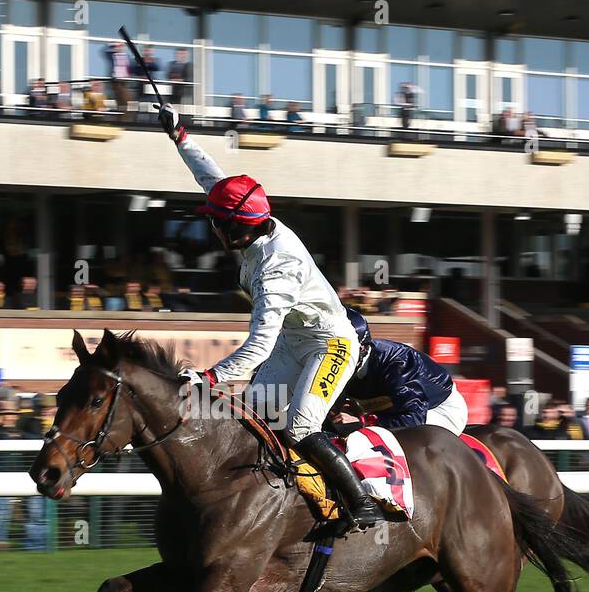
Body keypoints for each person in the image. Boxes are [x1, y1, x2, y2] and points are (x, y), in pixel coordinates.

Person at [155, 101, 379, 530]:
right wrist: (181, 136)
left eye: (216, 223)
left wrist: (211, 379)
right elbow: (212, 179)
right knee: (254, 418)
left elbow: (258, 346)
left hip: (328, 346)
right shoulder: (252, 220)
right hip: (292, 344)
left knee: (297, 425)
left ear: (237, 227)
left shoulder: (279, 268)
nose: (212, 229)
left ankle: (360, 502)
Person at [337, 308, 466, 434]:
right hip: (389, 412)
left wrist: (362, 423)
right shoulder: (352, 362)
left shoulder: (398, 364)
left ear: (360, 348)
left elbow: (413, 420)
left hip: (437, 411)